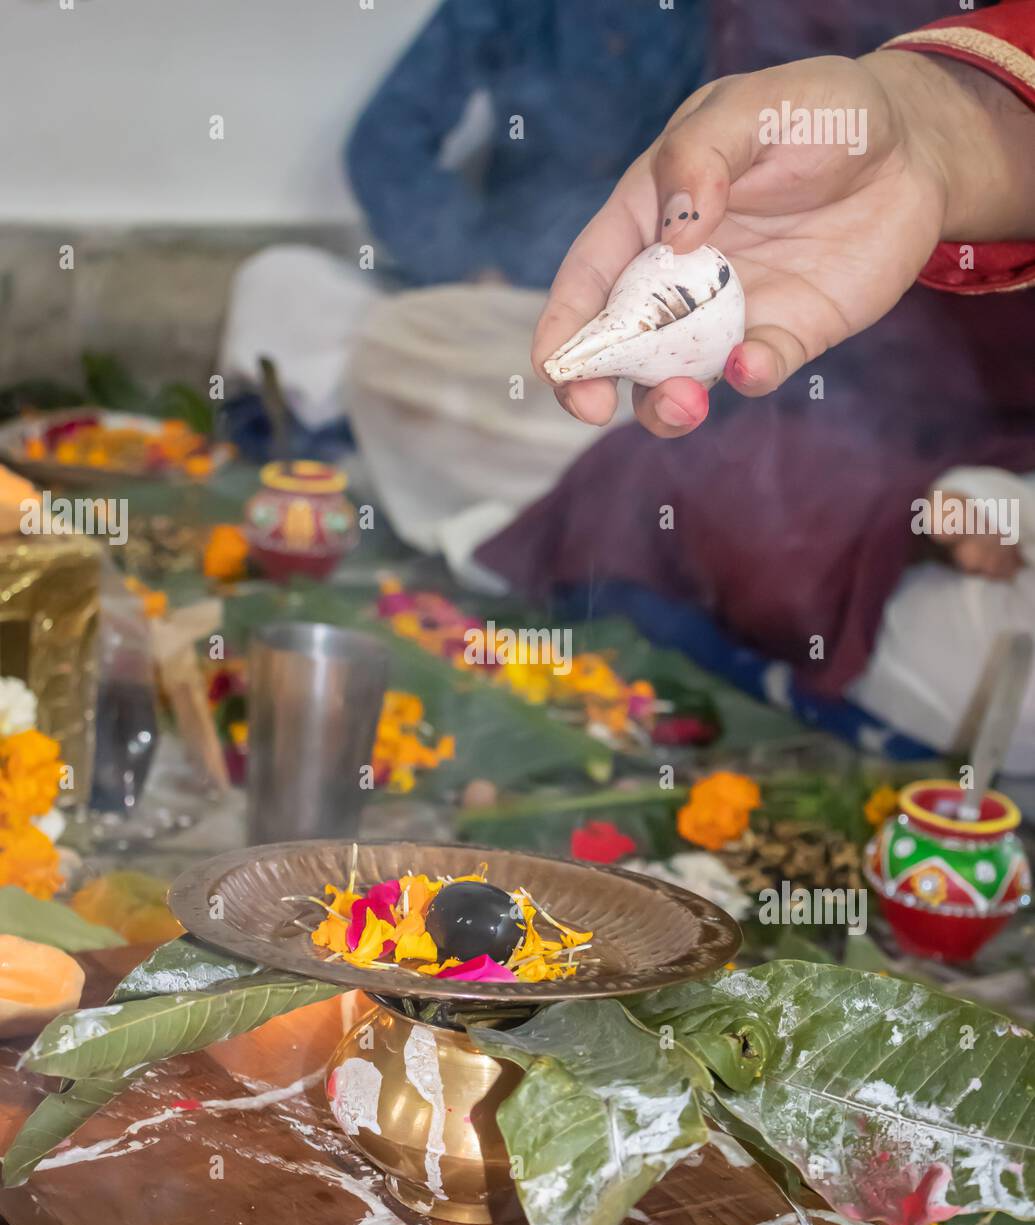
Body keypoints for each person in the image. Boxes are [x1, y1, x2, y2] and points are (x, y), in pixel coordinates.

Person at [477, 1, 1035, 768]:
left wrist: (1002, 502)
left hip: (971, 461)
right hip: (812, 395)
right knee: (389, 332)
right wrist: (916, 131)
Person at [218, 0, 709, 568]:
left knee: (644, 424)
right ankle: (434, 464)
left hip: (617, 346)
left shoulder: (732, 20)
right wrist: (474, 267)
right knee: (278, 284)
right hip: (482, 315)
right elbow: (386, 144)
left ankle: (396, 458)